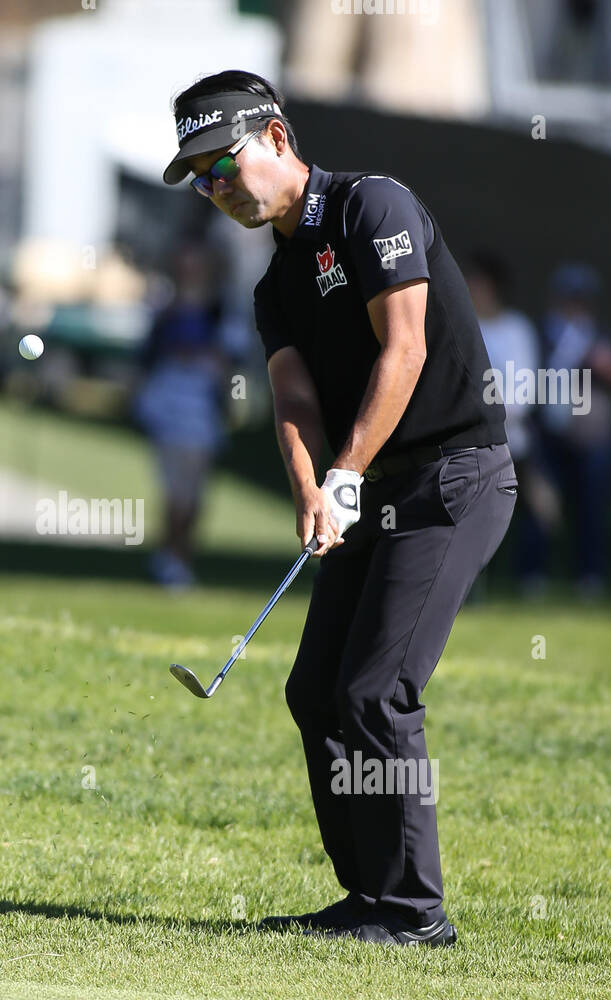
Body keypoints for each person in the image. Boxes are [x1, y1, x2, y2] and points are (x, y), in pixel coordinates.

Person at [162, 70, 516, 946]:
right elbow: (295, 404)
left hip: (452, 477)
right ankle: (368, 897)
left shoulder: (372, 207)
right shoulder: (275, 284)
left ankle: (412, 913)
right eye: (200, 178)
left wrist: (349, 471)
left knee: (374, 690)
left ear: (276, 137)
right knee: (316, 690)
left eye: (222, 163)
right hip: (375, 491)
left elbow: (404, 351)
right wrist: (312, 489)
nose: (216, 189)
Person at [133, 242, 235, 589]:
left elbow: (229, 362)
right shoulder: (165, 308)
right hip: (167, 407)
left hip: (202, 411)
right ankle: (170, 558)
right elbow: (148, 356)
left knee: (193, 492)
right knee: (175, 489)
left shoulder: (220, 311)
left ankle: (179, 556)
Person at [465, 252, 560, 595]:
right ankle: (470, 582)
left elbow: (524, 388)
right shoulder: (461, 325)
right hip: (467, 438)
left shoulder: (517, 328)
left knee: (537, 505)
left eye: (476, 281)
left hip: (512, 439)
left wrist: (489, 409)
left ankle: (531, 575)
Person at [531, 263, 611, 599]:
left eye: (581, 299)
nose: (576, 305)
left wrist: (609, 366)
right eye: (570, 298)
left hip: (592, 436)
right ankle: (533, 575)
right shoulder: (540, 334)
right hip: (548, 434)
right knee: (541, 507)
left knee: (591, 508)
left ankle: (589, 576)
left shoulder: (604, 337)